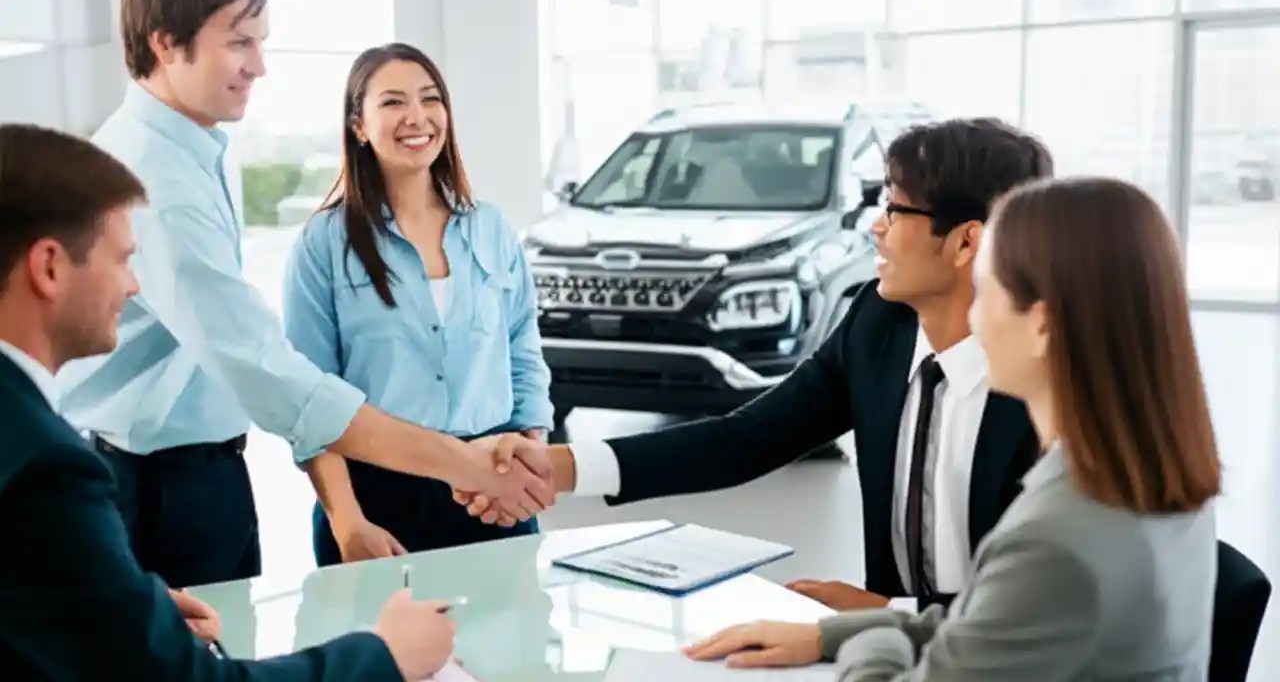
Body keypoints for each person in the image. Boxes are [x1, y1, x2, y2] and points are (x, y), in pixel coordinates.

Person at [56, 0, 550, 591]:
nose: (259, 65)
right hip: (155, 486)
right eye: (239, 42)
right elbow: (275, 373)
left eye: (260, 42)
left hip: (203, 475)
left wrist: (516, 455)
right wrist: (460, 465)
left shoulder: (198, 150)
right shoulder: (158, 177)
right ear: (164, 42)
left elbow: (522, 351)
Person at [463, 118, 1052, 613]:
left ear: (965, 244)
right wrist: (555, 469)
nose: (875, 226)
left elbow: (1056, 610)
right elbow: (745, 439)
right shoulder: (879, 325)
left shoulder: (1052, 393)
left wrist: (886, 614)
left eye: (893, 210)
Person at [684, 177, 1222, 680]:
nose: (973, 316)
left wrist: (863, 646)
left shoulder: (1056, 540)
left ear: (1042, 326)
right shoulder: (1152, 473)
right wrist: (828, 633)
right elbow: (992, 620)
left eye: (986, 291)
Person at [0, 122, 460, 681]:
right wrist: (385, 656)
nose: (134, 287)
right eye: (122, 260)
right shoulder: (47, 467)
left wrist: (116, 605)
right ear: (49, 267)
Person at [284, 43, 554, 566]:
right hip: (375, 497)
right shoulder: (323, 243)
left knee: (510, 648)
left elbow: (523, 349)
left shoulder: (492, 228)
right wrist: (347, 520)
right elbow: (308, 398)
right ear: (358, 125)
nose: (417, 117)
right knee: (384, 649)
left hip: (490, 489)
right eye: (392, 103)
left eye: (430, 99)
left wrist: (526, 456)